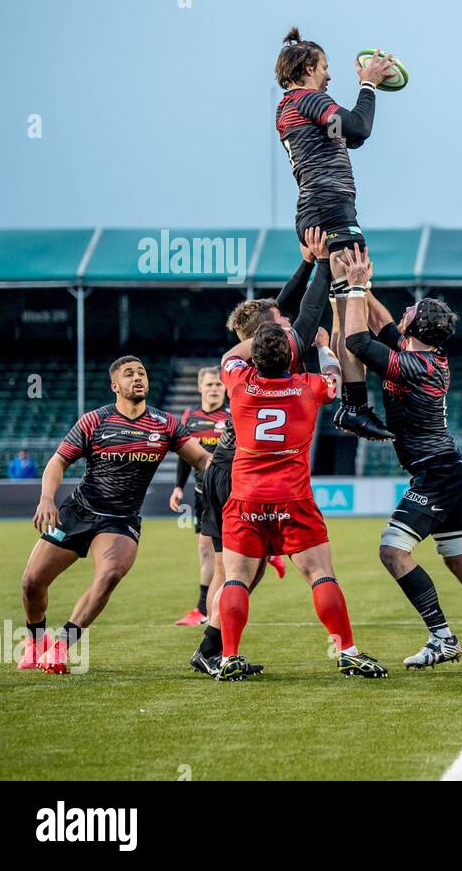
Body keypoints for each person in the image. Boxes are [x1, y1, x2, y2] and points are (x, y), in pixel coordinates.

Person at [337, 246, 462, 672]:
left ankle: (442, 638)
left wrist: (355, 287)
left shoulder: (411, 365)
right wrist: (360, 281)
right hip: (448, 468)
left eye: (411, 308)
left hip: (437, 472)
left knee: (392, 551)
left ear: (417, 324)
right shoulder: (423, 354)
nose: (403, 310)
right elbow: (383, 325)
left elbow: (356, 341)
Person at [188, 229, 330, 677]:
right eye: (278, 323)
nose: (286, 323)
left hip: (230, 468)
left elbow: (283, 309)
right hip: (236, 471)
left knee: (242, 572)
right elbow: (300, 316)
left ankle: (213, 647)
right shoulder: (272, 358)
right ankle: (212, 651)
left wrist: (307, 264)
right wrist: (324, 265)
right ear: (266, 332)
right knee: (235, 571)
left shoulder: (246, 360)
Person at [18, 357, 212, 673]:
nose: (138, 378)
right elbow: (57, 462)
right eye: (129, 374)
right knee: (31, 582)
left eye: (142, 373)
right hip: (78, 511)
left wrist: (234, 467)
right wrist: (46, 499)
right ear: (114, 385)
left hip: (120, 521)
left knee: (108, 575)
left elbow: (203, 459)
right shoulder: (94, 421)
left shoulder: (165, 424)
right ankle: (36, 641)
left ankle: (61, 646)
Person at [215, 322, 385, 680]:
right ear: (291, 356)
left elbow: (230, 356)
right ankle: (347, 651)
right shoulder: (307, 387)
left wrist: (264, 337)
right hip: (293, 499)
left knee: (236, 579)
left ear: (255, 358)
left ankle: (229, 657)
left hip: (246, 498)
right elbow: (335, 377)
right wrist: (322, 346)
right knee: (320, 574)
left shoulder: (239, 383)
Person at [275, 27, 393, 441]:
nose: (329, 76)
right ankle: (356, 404)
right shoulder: (308, 98)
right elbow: (358, 128)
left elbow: (347, 136)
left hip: (316, 211)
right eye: (325, 68)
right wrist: (369, 83)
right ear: (308, 69)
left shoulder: (289, 106)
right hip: (331, 211)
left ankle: (354, 405)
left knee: (345, 308)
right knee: (352, 302)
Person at [169, 367, 230, 626]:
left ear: (225, 388)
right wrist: (178, 486)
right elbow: (185, 453)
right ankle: (203, 608)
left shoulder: (232, 415)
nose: (214, 388)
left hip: (228, 493)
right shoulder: (189, 416)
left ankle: (210, 608)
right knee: (205, 549)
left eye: (218, 384)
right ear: (200, 387)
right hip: (200, 493)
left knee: (225, 552)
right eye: (209, 384)